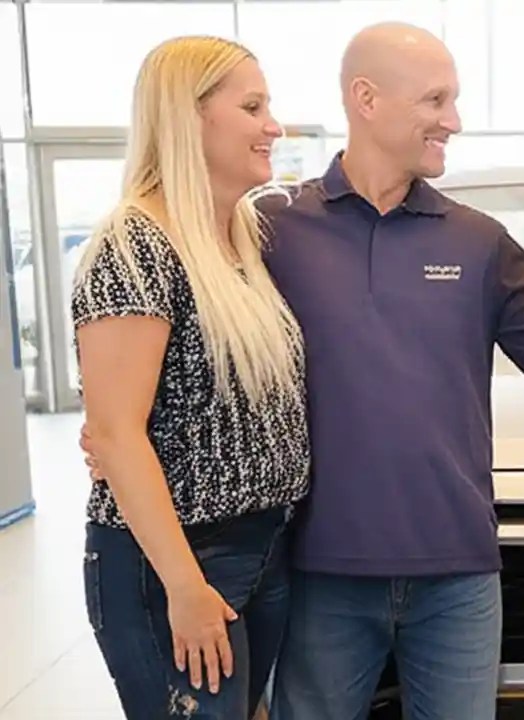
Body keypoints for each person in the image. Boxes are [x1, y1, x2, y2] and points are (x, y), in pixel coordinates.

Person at [80, 21, 524, 719]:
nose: (453, 121)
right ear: (367, 99)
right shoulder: (268, 232)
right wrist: (115, 432)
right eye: (436, 100)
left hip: (456, 577)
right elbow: (187, 355)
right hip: (318, 574)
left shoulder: (478, 242)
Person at [71, 36, 309, 719]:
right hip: (175, 562)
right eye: (253, 106)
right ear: (188, 118)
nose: (274, 125)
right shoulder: (132, 245)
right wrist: (185, 586)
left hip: (261, 544)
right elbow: (115, 435)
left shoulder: (238, 237)